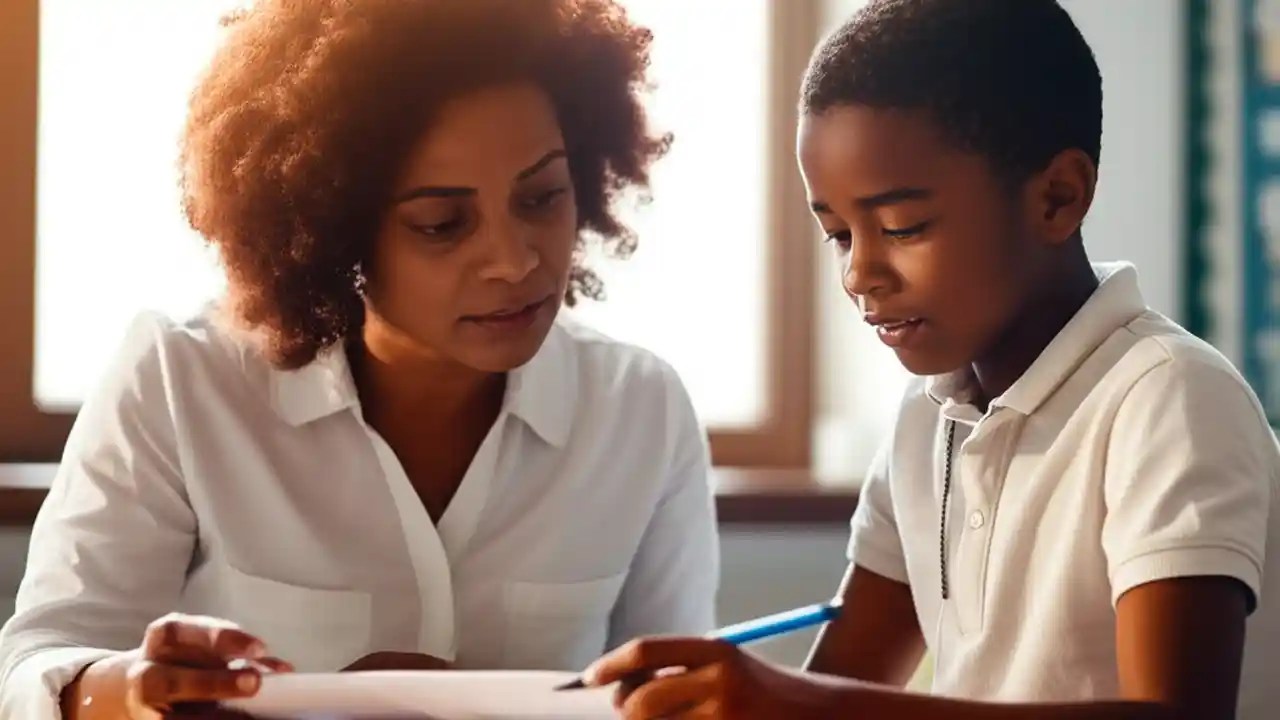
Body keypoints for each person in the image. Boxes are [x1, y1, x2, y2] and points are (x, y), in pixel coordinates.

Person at [0, 1, 719, 717]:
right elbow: (40, 666)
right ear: (332, 229)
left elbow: (680, 695)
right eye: (441, 224)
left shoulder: (640, 411)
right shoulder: (181, 383)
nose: (515, 258)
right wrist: (131, 693)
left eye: (542, 197)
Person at [584, 1, 1280, 718]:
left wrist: (795, 702)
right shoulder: (927, 422)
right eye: (839, 235)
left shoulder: (1168, 397)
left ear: (1057, 198)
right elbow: (848, 677)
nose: (859, 275)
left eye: (901, 227)